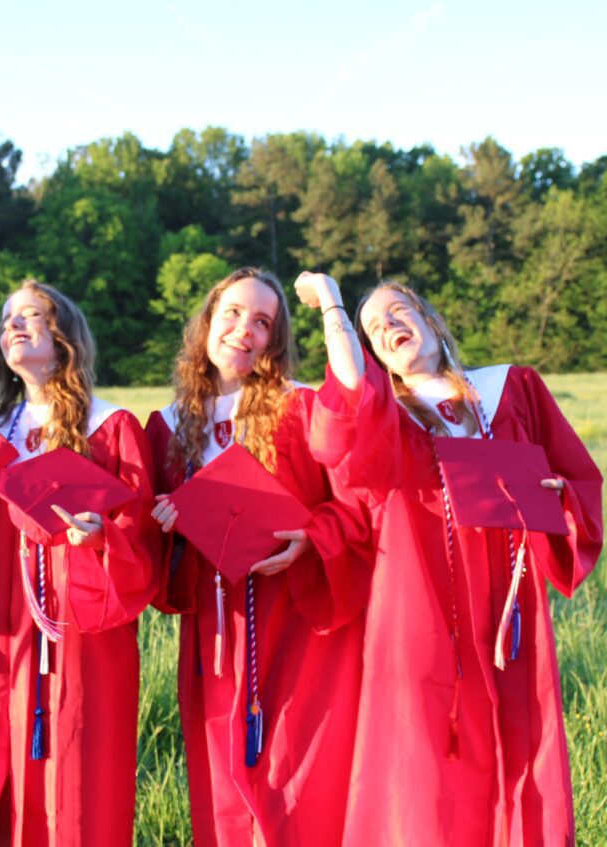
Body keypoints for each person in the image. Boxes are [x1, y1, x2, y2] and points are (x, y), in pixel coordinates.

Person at [297, 272, 603, 845]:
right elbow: (333, 442)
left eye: (396, 312)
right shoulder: (384, 414)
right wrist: (333, 305)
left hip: (509, 601)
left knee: (518, 739)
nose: (387, 327)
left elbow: (580, 480)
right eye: (372, 328)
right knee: (422, 753)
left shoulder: (511, 389)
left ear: (431, 320)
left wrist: (556, 495)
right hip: (417, 598)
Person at [0, 279, 159, 847]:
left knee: (70, 788)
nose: (15, 324)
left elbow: (142, 550)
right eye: (9, 317)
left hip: (76, 640)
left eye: (34, 316)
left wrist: (101, 539)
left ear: (65, 338)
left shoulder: (110, 429)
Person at [146, 267, 372, 846]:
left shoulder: (300, 409)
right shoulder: (170, 427)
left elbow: (356, 502)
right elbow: (151, 538)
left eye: (262, 322)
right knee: (221, 784)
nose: (244, 330)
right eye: (233, 314)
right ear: (206, 323)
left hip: (294, 622)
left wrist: (312, 535)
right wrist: (168, 525)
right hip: (214, 631)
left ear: (275, 340)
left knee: (297, 779)